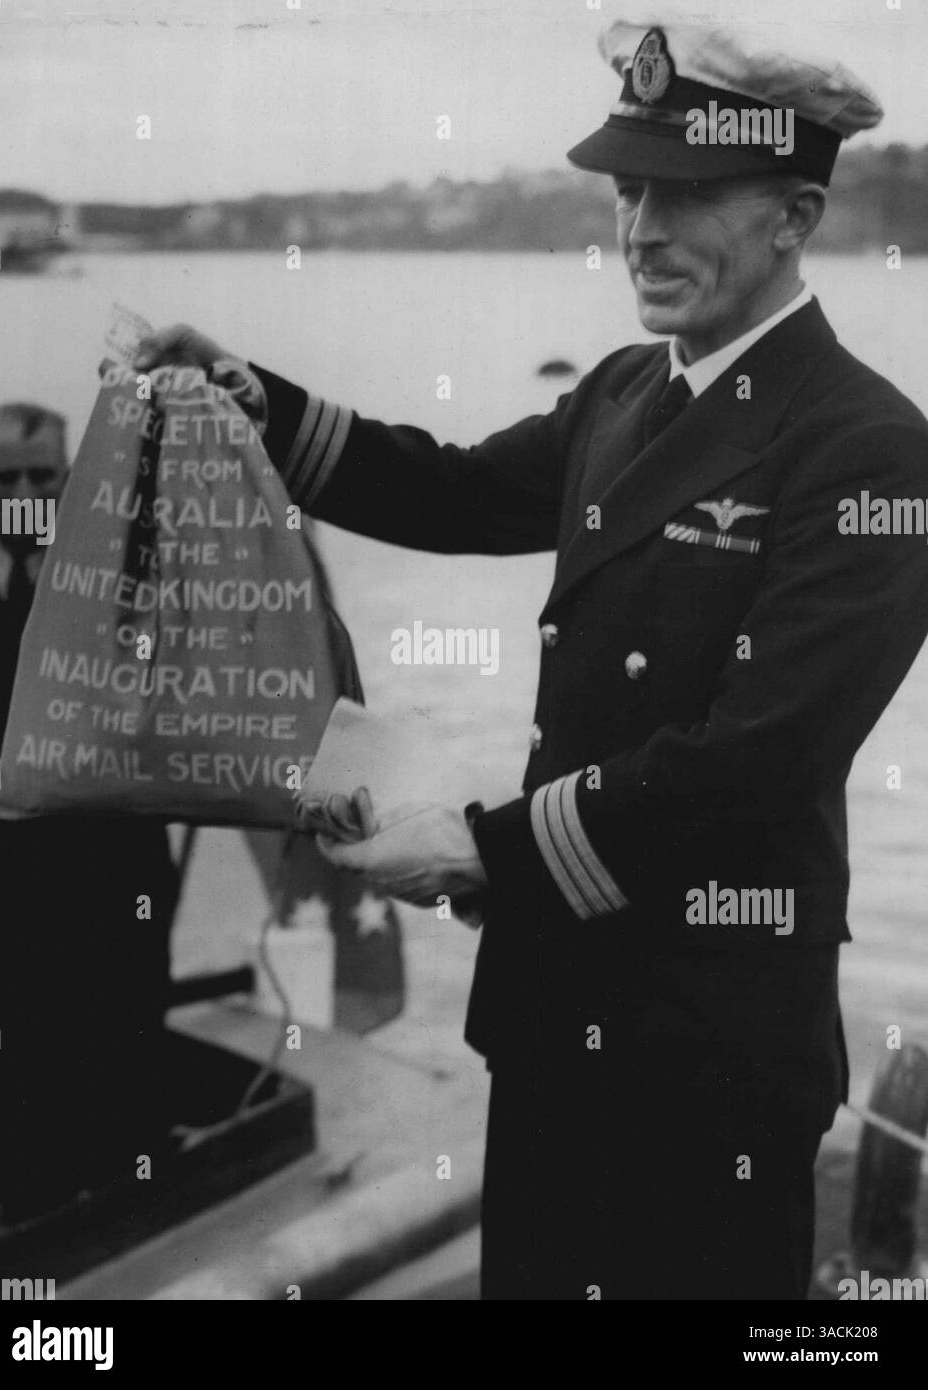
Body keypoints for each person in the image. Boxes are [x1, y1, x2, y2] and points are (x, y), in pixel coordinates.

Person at [134, 14, 928, 1299]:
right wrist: (253, 401)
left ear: (795, 213)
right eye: (628, 189)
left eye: (686, 193)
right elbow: (450, 493)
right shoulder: (623, 393)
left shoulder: (870, 449)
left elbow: (760, 765)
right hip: (555, 1017)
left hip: (709, 1057)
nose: (640, 229)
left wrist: (481, 851)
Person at [0, 403, 179, 1217]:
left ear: (71, 482)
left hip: (108, 871)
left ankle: (133, 1198)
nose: (24, 491)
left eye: (43, 476)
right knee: (3, 1045)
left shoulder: (132, 594)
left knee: (117, 1043)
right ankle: (20, 1207)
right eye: (5, 476)